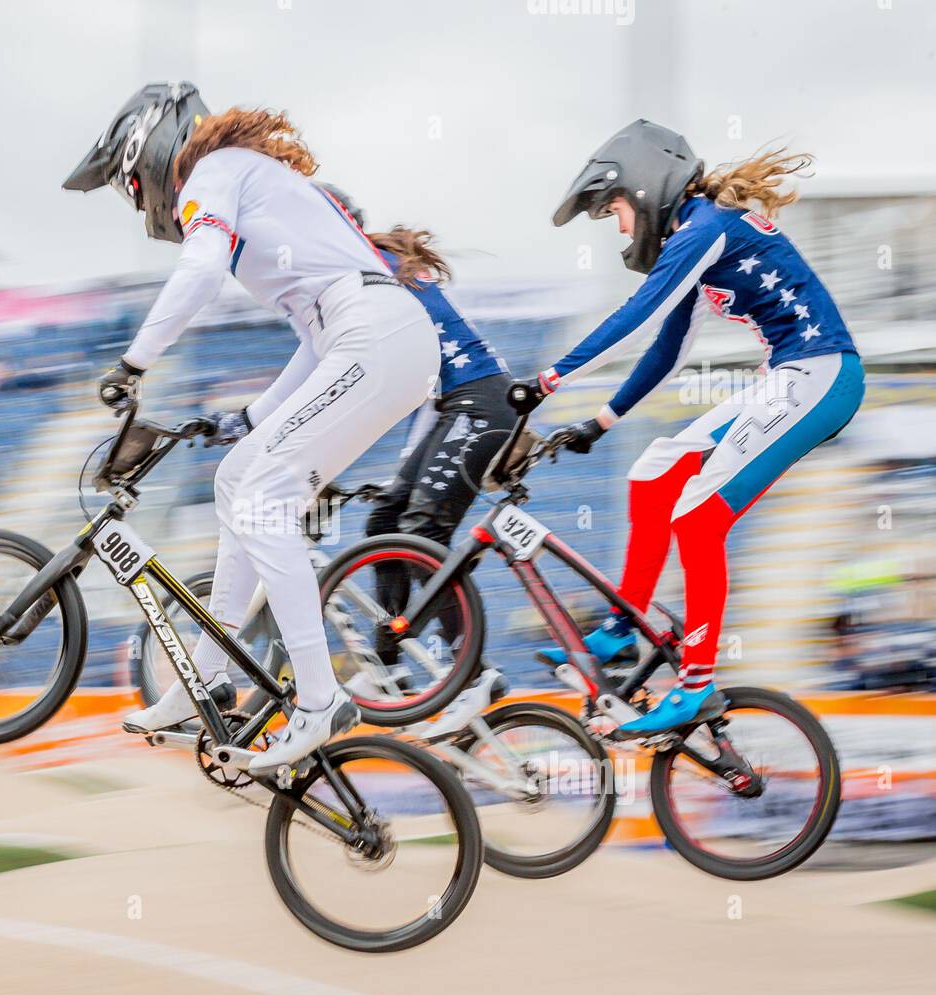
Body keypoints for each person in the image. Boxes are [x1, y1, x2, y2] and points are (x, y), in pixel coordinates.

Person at [63, 83, 439, 771]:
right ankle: (208, 673)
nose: (134, 197)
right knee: (238, 475)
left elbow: (201, 270)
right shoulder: (242, 175)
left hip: (377, 338)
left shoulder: (212, 173)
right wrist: (253, 417)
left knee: (265, 499)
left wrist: (134, 360)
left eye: (128, 181)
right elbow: (315, 336)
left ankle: (321, 700)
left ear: (150, 151)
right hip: (374, 337)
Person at [511, 119, 865, 737]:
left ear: (646, 191)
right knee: (653, 469)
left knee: (698, 517)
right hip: (792, 375)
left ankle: (697, 683)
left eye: (615, 210)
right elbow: (666, 352)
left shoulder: (702, 230)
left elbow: (637, 314)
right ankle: (626, 626)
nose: (620, 227)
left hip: (820, 377)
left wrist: (546, 380)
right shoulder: (703, 237)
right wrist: (601, 420)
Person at [317, 186, 516, 719]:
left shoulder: (366, 271)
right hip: (458, 403)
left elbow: (358, 379)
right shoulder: (371, 264)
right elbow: (416, 393)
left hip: (479, 402)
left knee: (423, 534)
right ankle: (389, 664)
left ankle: (475, 675)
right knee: (388, 518)